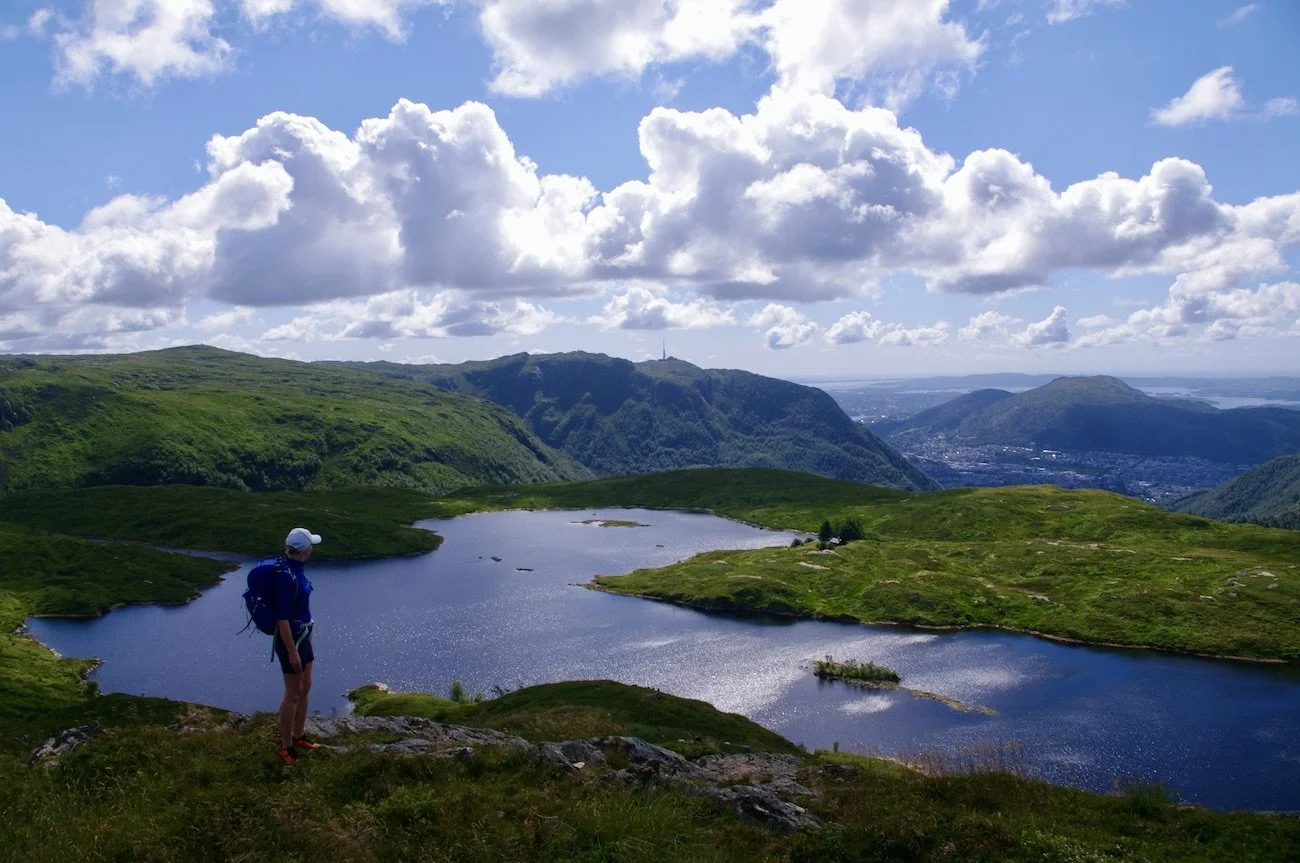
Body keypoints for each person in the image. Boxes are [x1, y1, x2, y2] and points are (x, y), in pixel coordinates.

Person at [274, 527, 321, 764]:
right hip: (290, 641)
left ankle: (299, 735)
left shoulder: (296, 569)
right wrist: (292, 651)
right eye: (310, 546)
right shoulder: (286, 576)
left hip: (303, 636)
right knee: (292, 693)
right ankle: (285, 746)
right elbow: (281, 618)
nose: (312, 549)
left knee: (305, 687)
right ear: (304, 550)